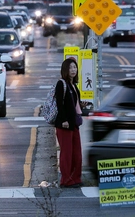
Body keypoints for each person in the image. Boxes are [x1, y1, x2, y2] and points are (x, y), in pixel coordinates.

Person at [54, 57, 83, 188]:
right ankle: (66, 180)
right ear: (65, 69)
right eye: (70, 67)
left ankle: (76, 178)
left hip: (74, 123)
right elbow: (59, 104)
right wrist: (64, 120)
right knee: (66, 153)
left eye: (75, 67)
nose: (73, 70)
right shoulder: (61, 83)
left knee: (77, 152)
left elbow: (73, 104)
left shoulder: (73, 85)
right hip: (64, 125)